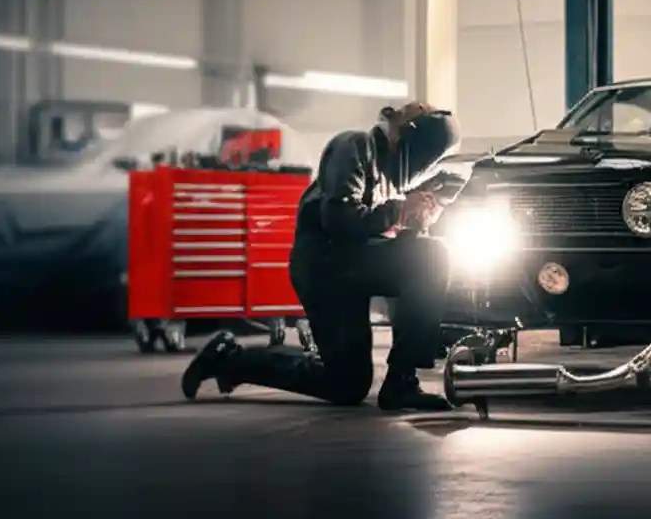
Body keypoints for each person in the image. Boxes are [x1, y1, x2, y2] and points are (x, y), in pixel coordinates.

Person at [180, 102, 461, 411]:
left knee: (346, 385)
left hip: (354, 264)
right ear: (407, 139)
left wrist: (417, 220)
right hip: (325, 265)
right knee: (430, 256)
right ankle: (402, 382)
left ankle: (232, 360)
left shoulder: (394, 178)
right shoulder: (354, 146)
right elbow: (339, 219)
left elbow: (394, 249)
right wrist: (400, 210)